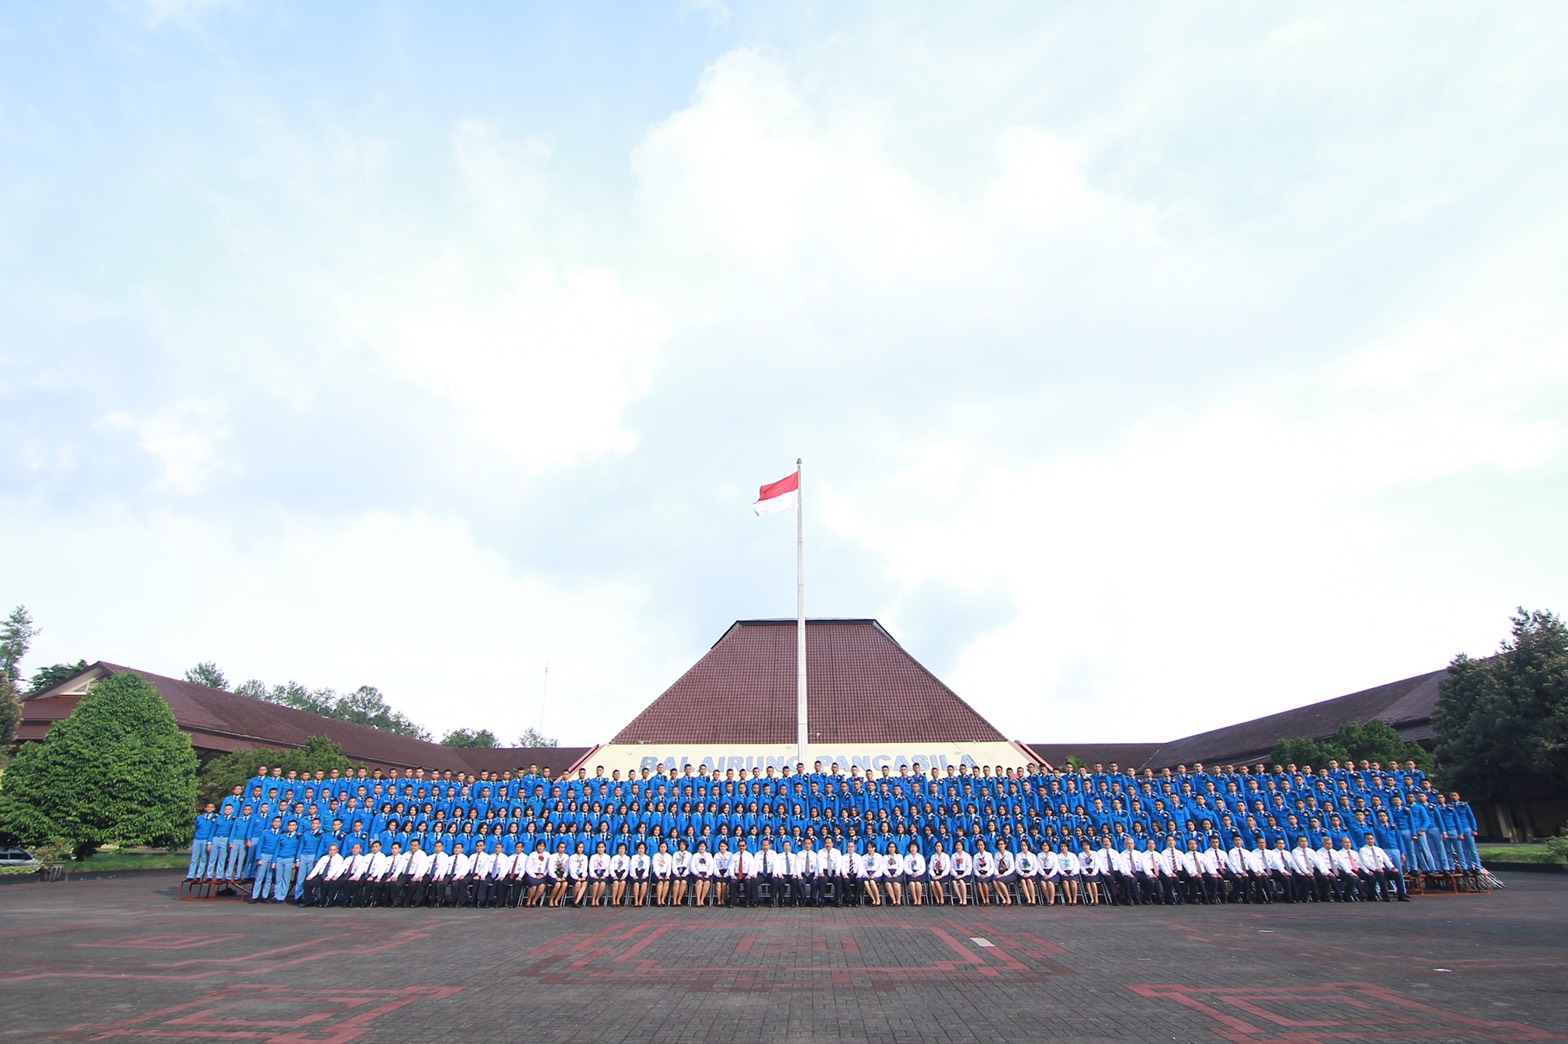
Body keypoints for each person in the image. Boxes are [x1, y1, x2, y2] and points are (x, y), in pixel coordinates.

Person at [691, 840, 714, 908]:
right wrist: (697, 873)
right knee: (699, 882)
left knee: (707, 883)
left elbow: (711, 866)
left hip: (706, 873)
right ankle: (698, 900)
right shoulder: (695, 855)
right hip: (697, 873)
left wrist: (708, 874)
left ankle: (702, 899)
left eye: (703, 846)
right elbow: (692, 866)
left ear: (706, 847)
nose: (701, 848)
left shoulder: (709, 855)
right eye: (700, 846)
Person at [630, 842, 653, 907]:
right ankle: (636, 900)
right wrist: (634, 875)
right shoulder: (634, 857)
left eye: (642, 848)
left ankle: (641, 900)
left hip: (643, 874)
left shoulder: (647, 858)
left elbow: (647, 868)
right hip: (635, 873)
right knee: (636, 884)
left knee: (644, 884)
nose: (641, 850)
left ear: (645, 849)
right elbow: (632, 867)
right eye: (639, 848)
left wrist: (644, 875)